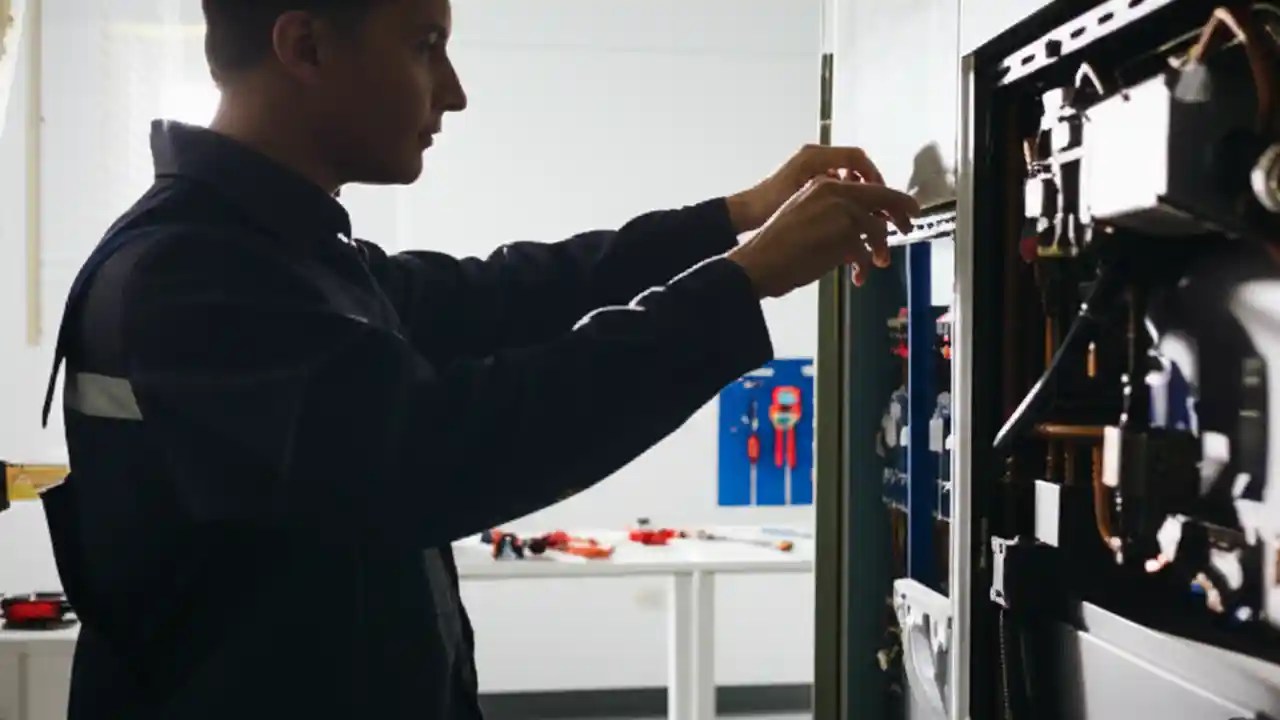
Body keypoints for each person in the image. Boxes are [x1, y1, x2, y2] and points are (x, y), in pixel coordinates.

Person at [39, 0, 919, 718]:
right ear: (304, 44)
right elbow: (438, 451)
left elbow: (506, 293)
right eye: (427, 46)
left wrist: (736, 215)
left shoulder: (284, 257)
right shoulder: (188, 279)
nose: (452, 93)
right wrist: (741, 283)